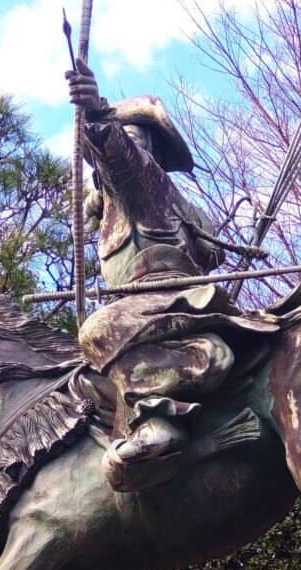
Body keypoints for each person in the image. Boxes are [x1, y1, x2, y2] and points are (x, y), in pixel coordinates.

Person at [66, 58, 244, 492]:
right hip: (158, 304)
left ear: (150, 153)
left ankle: (158, 420)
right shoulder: (140, 204)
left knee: (99, 329)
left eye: (137, 139)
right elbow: (213, 251)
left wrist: (97, 115)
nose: (132, 146)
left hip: (168, 300)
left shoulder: (145, 183)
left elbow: (121, 162)